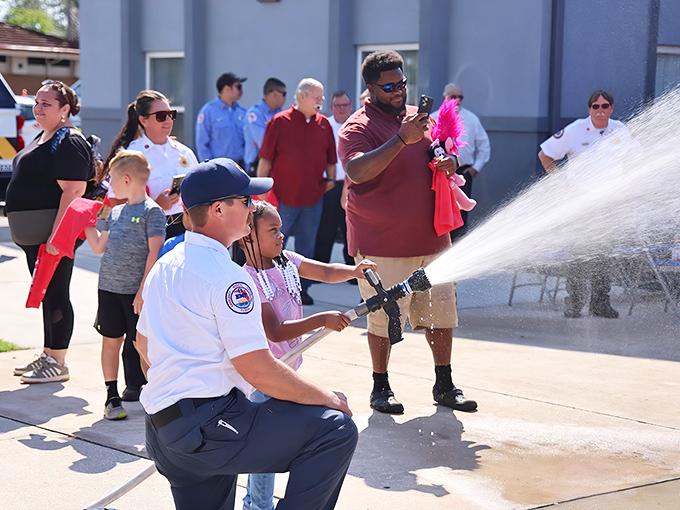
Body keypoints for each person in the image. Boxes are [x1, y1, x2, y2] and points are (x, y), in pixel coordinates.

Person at [136, 158, 358, 510]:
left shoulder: (166, 265)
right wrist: (327, 398)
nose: (252, 207)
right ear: (219, 209)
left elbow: (142, 343)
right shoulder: (229, 277)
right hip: (210, 427)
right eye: (246, 201)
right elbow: (258, 369)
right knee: (335, 429)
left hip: (164, 431)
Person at [338, 50, 477, 414]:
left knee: (441, 314)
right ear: (370, 88)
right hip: (381, 243)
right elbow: (356, 172)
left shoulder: (420, 118)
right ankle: (380, 387)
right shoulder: (357, 127)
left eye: (402, 83)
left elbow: (439, 154)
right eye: (389, 86)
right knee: (384, 318)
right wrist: (401, 139)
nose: (399, 91)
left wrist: (450, 162)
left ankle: (444, 384)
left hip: (431, 237)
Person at [238, 200, 375, 510]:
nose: (280, 236)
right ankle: (256, 505)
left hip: (288, 369)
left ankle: (255, 502)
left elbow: (325, 271)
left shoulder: (286, 261)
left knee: (271, 442)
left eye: (281, 229)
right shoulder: (247, 280)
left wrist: (355, 271)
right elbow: (273, 330)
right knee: (265, 446)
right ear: (248, 237)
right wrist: (321, 319)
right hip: (264, 376)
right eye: (272, 231)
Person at [6, 80, 91, 383]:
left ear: (65, 110)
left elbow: (74, 190)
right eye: (37, 103)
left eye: (46, 104)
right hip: (36, 237)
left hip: (52, 236)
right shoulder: (43, 137)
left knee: (56, 293)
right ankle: (48, 355)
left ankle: (58, 361)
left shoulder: (69, 141)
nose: (38, 108)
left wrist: (58, 236)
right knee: (46, 294)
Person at [82, 150, 165, 419]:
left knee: (142, 343)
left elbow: (154, 253)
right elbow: (98, 246)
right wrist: (85, 223)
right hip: (108, 288)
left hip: (135, 293)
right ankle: (111, 396)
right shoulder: (113, 211)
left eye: (113, 180)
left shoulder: (153, 212)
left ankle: (157, 394)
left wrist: (142, 292)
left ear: (127, 179)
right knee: (110, 341)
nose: (110, 185)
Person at [538, 90, 627, 319]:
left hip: (608, 205)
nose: (600, 110)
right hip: (580, 205)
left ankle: (600, 303)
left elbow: (634, 158)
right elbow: (545, 155)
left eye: (605, 106)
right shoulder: (575, 130)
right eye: (595, 106)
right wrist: (564, 187)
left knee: (604, 256)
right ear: (589, 109)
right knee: (578, 255)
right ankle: (574, 304)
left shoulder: (620, 130)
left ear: (611, 109)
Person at [257, 78, 337, 306]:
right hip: (283, 199)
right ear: (301, 96)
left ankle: (302, 289)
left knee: (306, 247)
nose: (320, 102)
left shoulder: (323, 124)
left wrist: (330, 180)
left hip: (313, 198)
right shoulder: (279, 122)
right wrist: (263, 192)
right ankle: (266, 284)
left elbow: (332, 159)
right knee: (271, 243)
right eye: (316, 97)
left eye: (322, 97)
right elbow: (265, 160)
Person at [105, 90, 198, 242]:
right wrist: (155, 205)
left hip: (186, 227)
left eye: (171, 114)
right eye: (161, 116)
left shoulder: (184, 152)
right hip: (147, 231)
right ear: (143, 120)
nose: (168, 120)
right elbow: (116, 203)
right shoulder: (132, 154)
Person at [433, 84, 491, 241]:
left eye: (460, 97)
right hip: (438, 174)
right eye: (452, 96)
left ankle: (457, 243)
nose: (456, 100)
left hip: (463, 172)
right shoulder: (434, 118)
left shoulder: (471, 119)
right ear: (445, 97)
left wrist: (474, 169)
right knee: (439, 210)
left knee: (461, 213)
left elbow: (484, 146)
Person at [314, 91, 354, 266]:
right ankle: (319, 267)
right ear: (331, 108)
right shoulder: (323, 125)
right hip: (330, 185)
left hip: (352, 185)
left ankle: (353, 271)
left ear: (350, 106)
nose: (342, 109)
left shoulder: (358, 125)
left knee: (350, 228)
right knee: (325, 228)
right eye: (338, 106)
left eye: (345, 105)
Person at [196, 72, 248, 166]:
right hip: (219, 168)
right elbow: (202, 144)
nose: (241, 91)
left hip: (241, 167)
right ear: (227, 89)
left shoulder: (243, 112)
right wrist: (209, 167)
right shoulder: (208, 112)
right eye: (238, 87)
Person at [243, 78, 287, 176]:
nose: (285, 98)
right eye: (284, 94)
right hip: (257, 167)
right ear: (274, 94)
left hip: (277, 166)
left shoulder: (281, 114)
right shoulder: (254, 115)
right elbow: (264, 144)